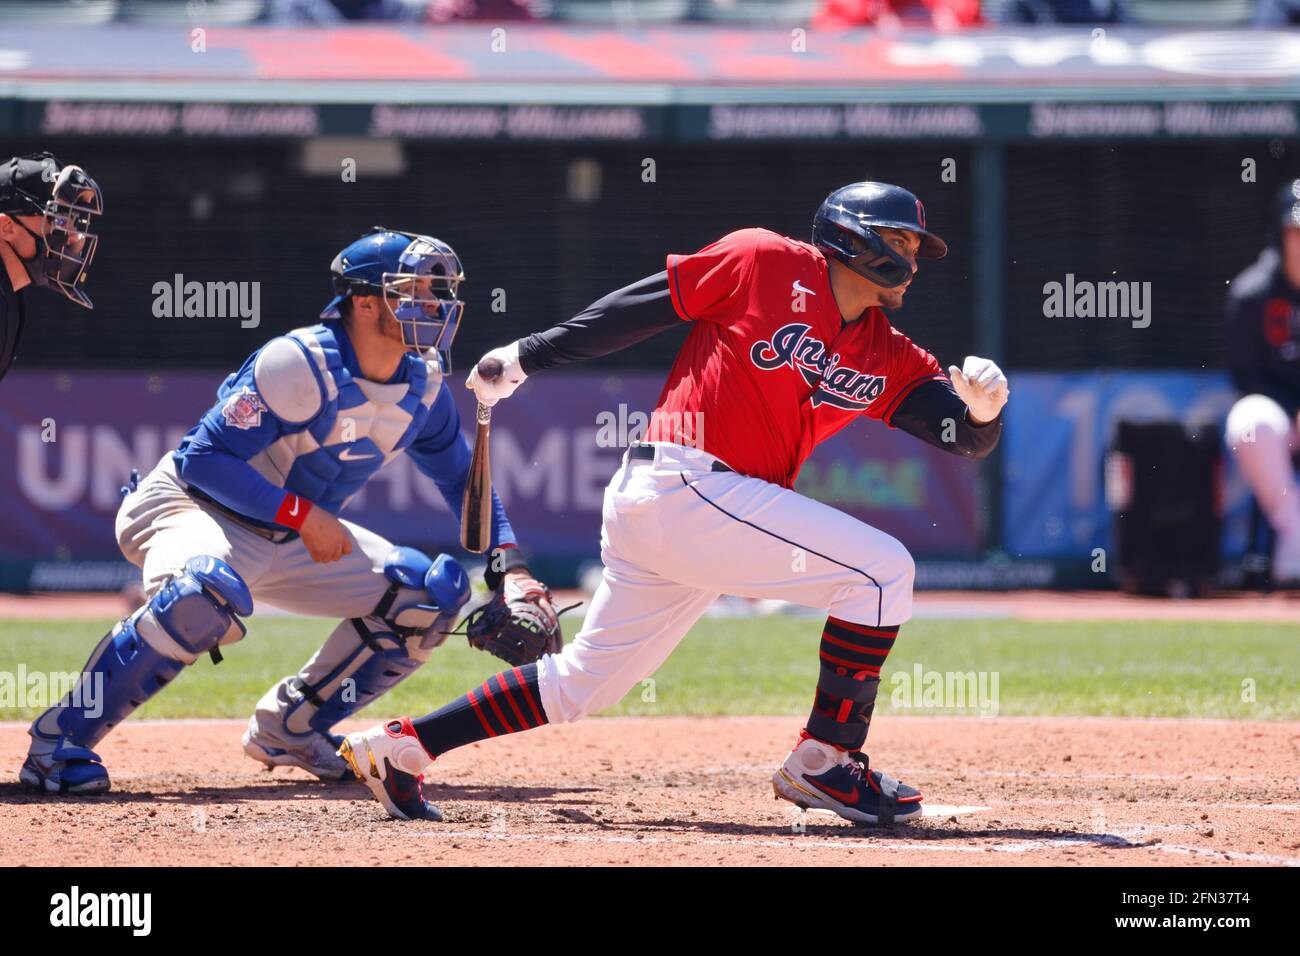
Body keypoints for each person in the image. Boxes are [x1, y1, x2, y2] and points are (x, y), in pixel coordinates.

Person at [338, 183, 1009, 826]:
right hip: (686, 485)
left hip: (694, 512)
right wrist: (527, 356)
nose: (913, 259)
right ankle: (826, 759)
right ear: (855, 238)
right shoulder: (765, 260)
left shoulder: (888, 353)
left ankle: (401, 747)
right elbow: (641, 309)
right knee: (882, 572)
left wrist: (983, 411)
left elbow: (960, 436)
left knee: (583, 683)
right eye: (902, 239)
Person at [21, 227, 560, 797]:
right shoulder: (300, 362)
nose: (434, 303)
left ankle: (293, 728)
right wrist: (303, 514)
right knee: (201, 594)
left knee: (429, 595)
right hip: (188, 505)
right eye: (416, 289)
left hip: (287, 534)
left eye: (438, 290)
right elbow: (203, 459)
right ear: (365, 300)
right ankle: (59, 745)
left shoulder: (423, 383)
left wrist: (513, 567)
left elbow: (461, 480)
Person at [1224, 180, 1300, 584]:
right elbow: (1245, 375)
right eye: (1297, 233)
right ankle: (1295, 536)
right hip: (1284, 421)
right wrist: (1292, 410)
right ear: (1281, 235)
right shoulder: (1252, 293)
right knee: (1251, 421)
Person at [0, 151, 103, 383]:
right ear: (6, 227)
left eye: (73, 220)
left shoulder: (11, 298)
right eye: (57, 219)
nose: (75, 237)